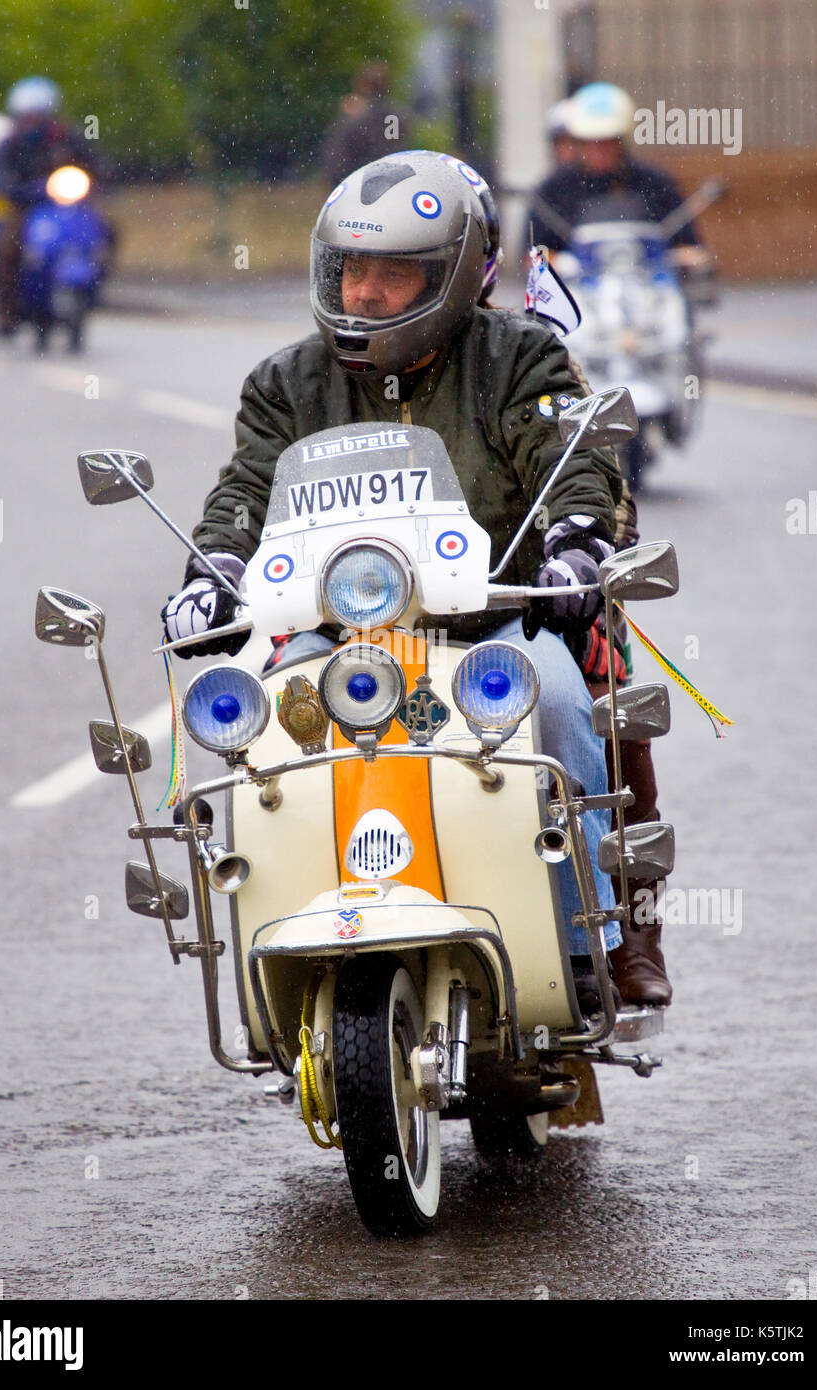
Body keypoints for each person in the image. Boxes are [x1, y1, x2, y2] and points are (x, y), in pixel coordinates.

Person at [162, 151, 668, 1008]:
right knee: (241, 721)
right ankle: (262, 915)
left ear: (461, 276)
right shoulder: (286, 382)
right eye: (352, 268)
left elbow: (573, 463)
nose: (363, 294)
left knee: (558, 704)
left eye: (393, 274)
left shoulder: (522, 359)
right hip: (337, 631)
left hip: (497, 623)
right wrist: (211, 569)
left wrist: (577, 543)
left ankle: (596, 935)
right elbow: (246, 489)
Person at [527, 81, 708, 280]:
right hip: (578, 297)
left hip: (650, 294)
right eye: (592, 141)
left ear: (622, 140)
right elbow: (534, 256)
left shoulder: (655, 183)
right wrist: (563, 263)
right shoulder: (554, 189)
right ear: (579, 142)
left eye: (608, 140)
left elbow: (690, 248)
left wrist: (676, 258)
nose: (600, 149)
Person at [0, 77, 96, 336]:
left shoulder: (67, 137)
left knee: (107, 231)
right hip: (28, 208)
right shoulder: (12, 143)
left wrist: (105, 175)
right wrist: (12, 188)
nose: (33, 121)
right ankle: (7, 313)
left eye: (39, 115)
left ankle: (95, 281)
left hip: (67, 208)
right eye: (28, 116)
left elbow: (95, 159)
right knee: (8, 248)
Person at [319, 63, 412, 190]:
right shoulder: (395, 116)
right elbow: (395, 150)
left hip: (357, 185)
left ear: (363, 86)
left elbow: (336, 161)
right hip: (391, 185)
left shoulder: (354, 118)